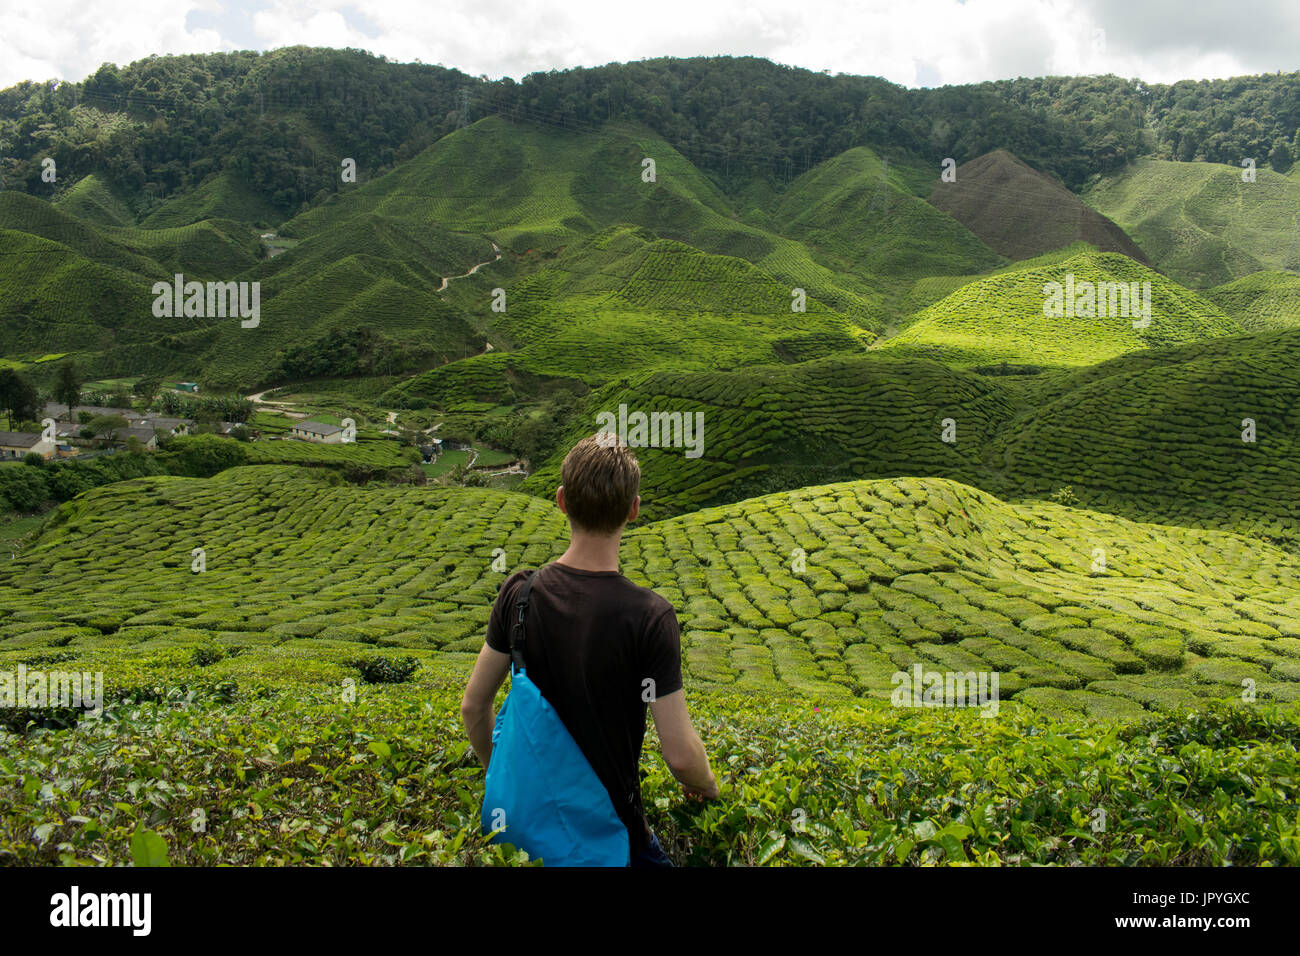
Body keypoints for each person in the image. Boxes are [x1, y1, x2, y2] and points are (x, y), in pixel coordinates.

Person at [461, 432, 719, 866]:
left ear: (562, 501)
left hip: (524, 832)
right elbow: (679, 755)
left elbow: (473, 706)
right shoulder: (650, 618)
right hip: (612, 836)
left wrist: (500, 778)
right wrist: (708, 786)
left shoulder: (519, 594)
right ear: (633, 510)